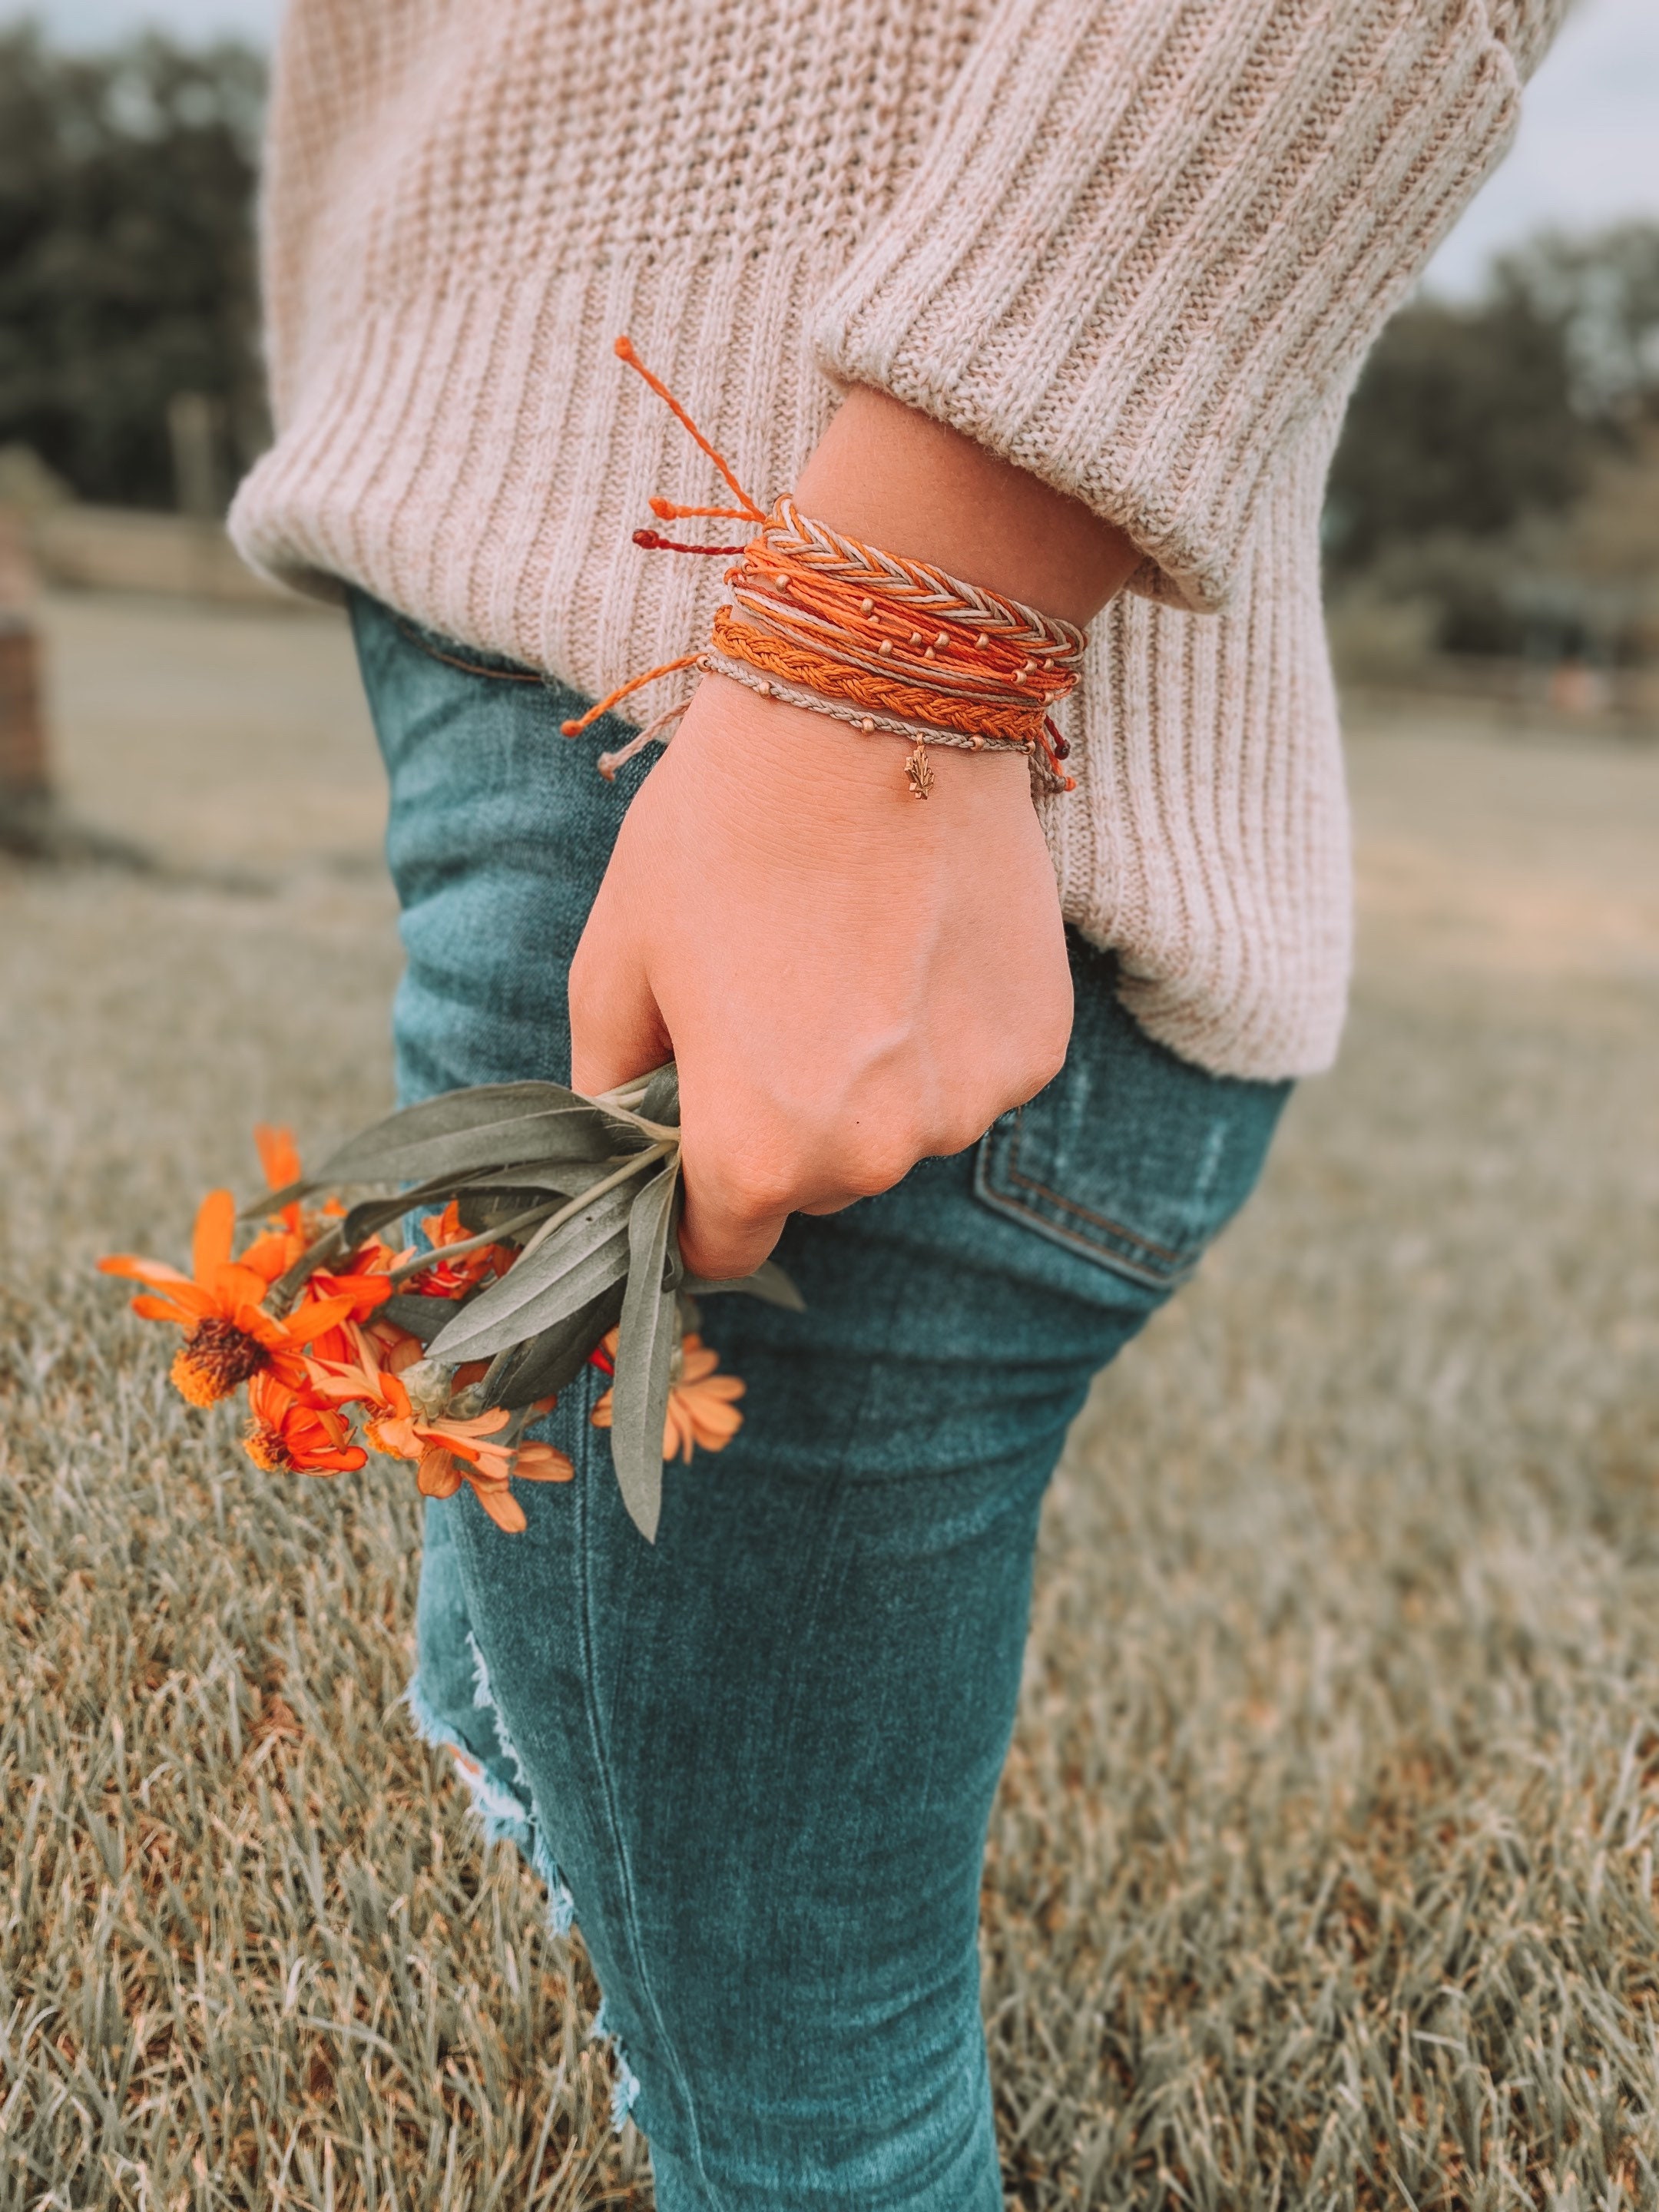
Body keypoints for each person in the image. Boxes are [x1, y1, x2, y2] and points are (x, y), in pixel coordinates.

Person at [230, 2, 1564, 2202]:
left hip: (804, 717)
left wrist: (887, 648)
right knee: (538, 1725)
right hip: (690, 682)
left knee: (800, 2114)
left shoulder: (845, 680)